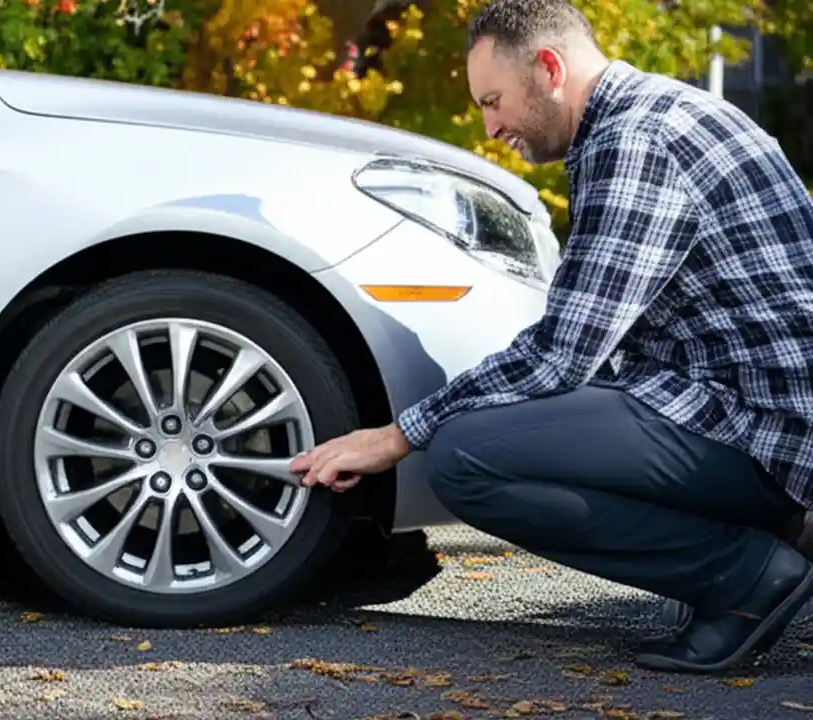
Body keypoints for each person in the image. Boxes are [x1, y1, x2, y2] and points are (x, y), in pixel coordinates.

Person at [290, 0, 813, 674]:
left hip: (767, 431)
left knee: (464, 457)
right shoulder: (657, 114)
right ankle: (759, 543)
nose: (490, 126)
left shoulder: (637, 141)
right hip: (748, 408)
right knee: (508, 425)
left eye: (494, 100)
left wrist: (397, 436)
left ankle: (744, 578)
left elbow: (563, 354)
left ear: (548, 67)